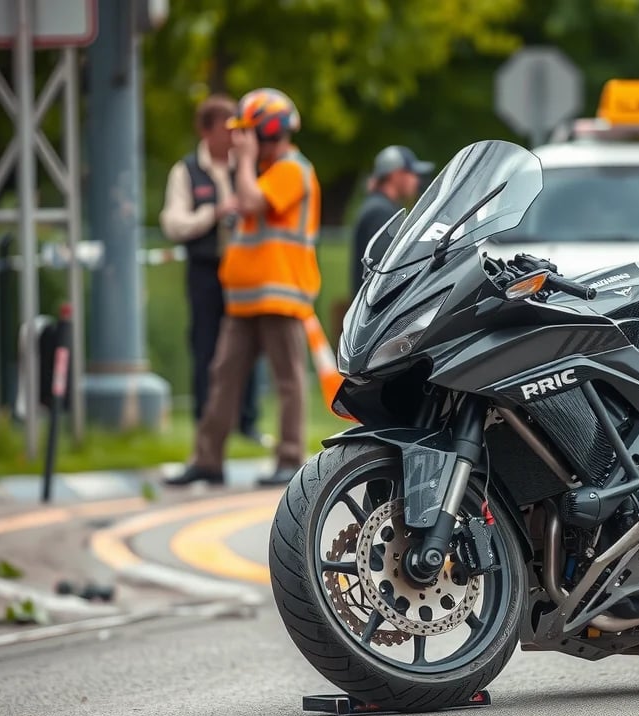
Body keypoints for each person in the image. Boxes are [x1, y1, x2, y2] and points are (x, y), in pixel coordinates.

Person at [166, 88, 322, 488]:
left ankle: (290, 458)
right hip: (245, 299)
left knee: (287, 380)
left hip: (281, 293)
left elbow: (252, 203)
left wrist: (247, 162)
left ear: (268, 130)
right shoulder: (264, 169)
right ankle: (207, 460)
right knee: (222, 377)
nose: (240, 141)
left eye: (247, 132)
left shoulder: (292, 169)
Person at [159, 95, 266, 446]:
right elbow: (173, 223)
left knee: (250, 346)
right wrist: (213, 213)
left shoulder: (247, 165)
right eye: (226, 128)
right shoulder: (186, 170)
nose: (233, 136)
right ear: (205, 131)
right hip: (206, 270)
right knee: (205, 346)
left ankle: (246, 421)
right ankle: (206, 421)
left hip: (245, 270)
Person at [350, 145, 435, 299]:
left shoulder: (378, 206)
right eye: (412, 173)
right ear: (396, 174)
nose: (416, 180)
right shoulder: (380, 212)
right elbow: (389, 271)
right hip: (376, 312)